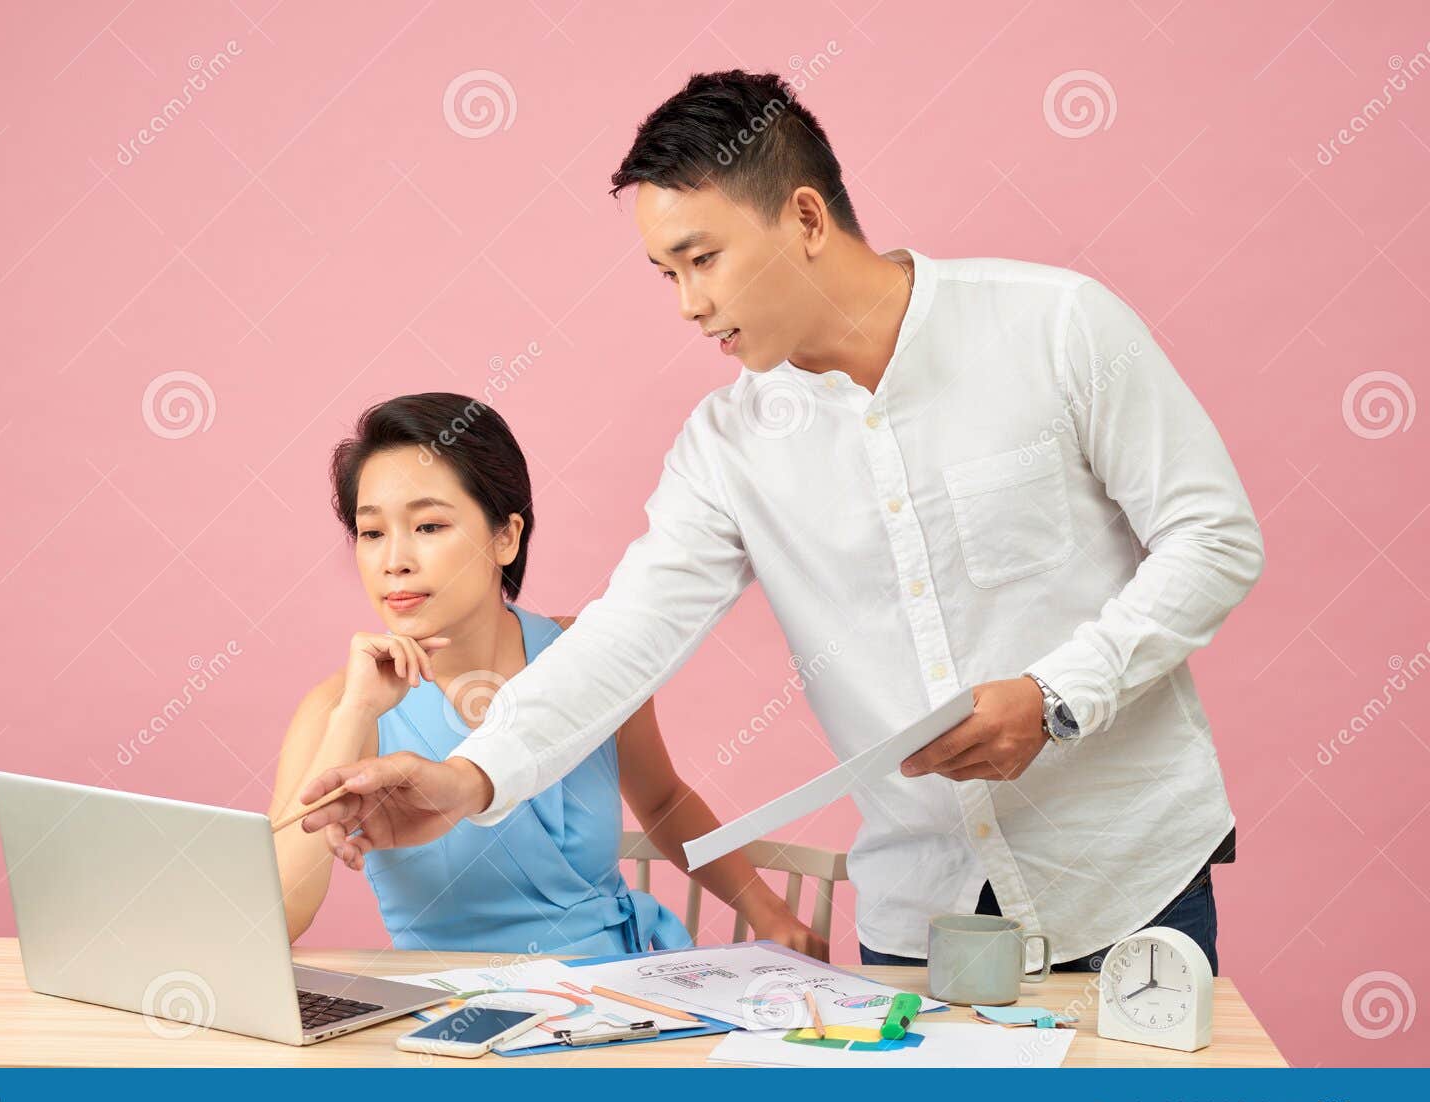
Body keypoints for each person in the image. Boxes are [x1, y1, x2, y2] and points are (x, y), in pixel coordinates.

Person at [298, 72, 1263, 976]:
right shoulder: (727, 449)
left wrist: (1056, 696)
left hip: (1129, 881)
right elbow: (621, 642)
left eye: (703, 259)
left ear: (805, 217)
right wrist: (469, 779)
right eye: (666, 273)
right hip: (920, 915)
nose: (690, 304)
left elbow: (1213, 538)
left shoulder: (1056, 326)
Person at [268, 391, 826, 958]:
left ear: (505, 537)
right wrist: (356, 711)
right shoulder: (341, 707)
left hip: (621, 989)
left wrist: (768, 911)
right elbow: (276, 918)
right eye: (372, 533)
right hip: (446, 1002)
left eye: (429, 526)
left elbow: (661, 801)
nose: (395, 562)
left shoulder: (589, 657)